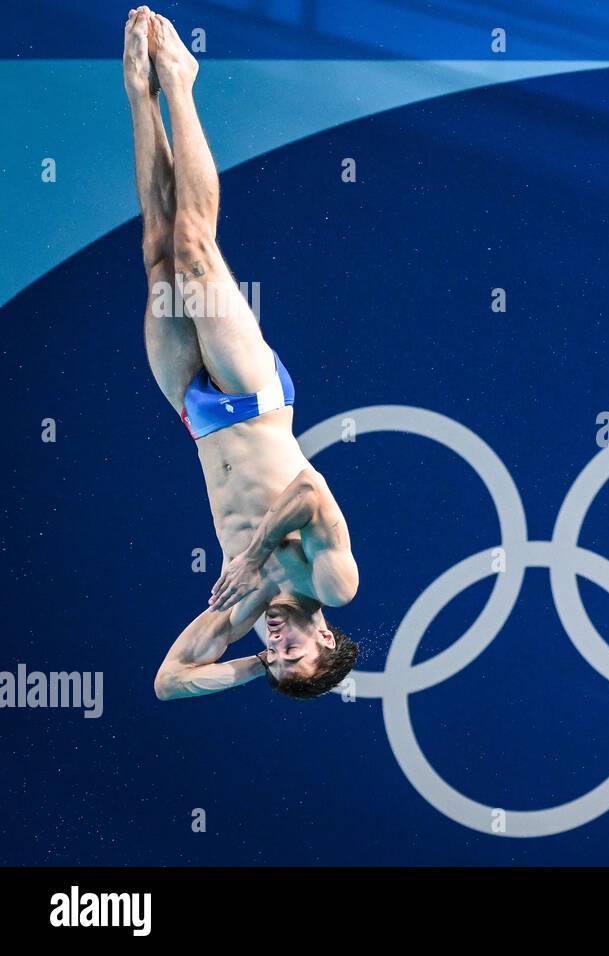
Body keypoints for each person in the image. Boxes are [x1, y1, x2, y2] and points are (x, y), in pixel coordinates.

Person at [123, 7, 359, 700]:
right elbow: (311, 491)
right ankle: (182, 83)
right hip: (254, 399)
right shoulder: (332, 585)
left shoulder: (248, 611)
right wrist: (255, 556)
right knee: (196, 247)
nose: (280, 647)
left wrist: (254, 664)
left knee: (158, 254)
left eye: (278, 659)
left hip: (197, 414)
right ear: (326, 638)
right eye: (295, 654)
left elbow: (169, 683)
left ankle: (141, 95)